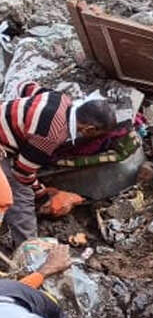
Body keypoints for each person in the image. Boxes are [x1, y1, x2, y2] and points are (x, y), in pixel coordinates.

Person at [0, 85, 118, 246]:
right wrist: (43, 193)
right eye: (97, 135)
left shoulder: (61, 99)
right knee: (23, 197)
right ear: (89, 129)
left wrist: (16, 115)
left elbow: (25, 87)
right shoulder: (53, 135)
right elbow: (21, 173)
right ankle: (29, 250)